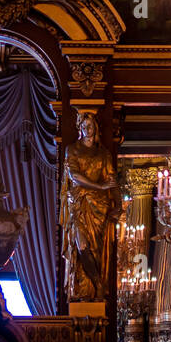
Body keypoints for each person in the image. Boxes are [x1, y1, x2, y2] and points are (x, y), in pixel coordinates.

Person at [61, 110, 118, 302]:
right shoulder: (72, 149)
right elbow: (74, 176)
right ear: (79, 128)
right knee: (82, 244)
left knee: (96, 249)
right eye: (84, 126)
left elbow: (112, 181)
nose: (87, 129)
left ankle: (96, 287)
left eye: (90, 126)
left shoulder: (104, 153)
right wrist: (99, 185)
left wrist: (117, 204)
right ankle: (97, 284)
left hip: (99, 207)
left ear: (96, 128)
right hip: (79, 203)